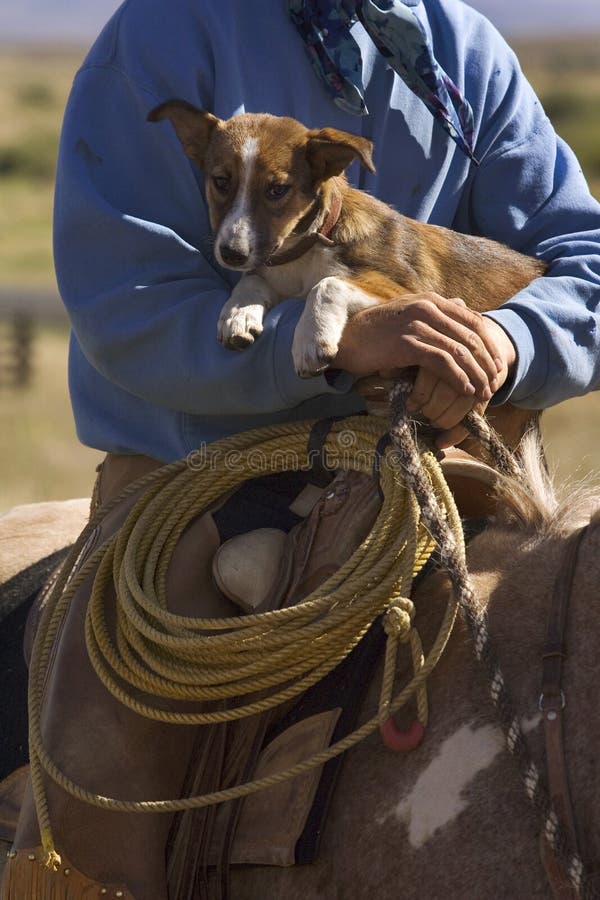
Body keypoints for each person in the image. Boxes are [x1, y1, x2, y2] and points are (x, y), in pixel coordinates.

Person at [4, 1, 600, 898]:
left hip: (442, 471)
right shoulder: (162, 35)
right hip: (197, 482)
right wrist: (321, 342)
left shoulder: (457, 44)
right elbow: (118, 302)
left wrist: (508, 343)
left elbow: (582, 254)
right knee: (109, 751)